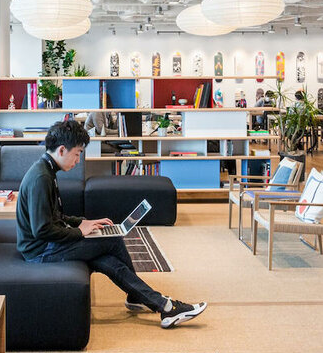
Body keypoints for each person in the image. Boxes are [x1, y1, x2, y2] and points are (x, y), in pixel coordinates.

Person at [16, 120, 207, 329]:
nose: (78, 160)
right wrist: (80, 232)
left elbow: (56, 216)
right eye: (77, 153)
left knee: (107, 260)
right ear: (62, 150)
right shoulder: (41, 178)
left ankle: (159, 305)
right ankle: (149, 301)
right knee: (112, 239)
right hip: (40, 252)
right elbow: (42, 230)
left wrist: (83, 222)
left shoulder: (47, 171)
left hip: (46, 246)